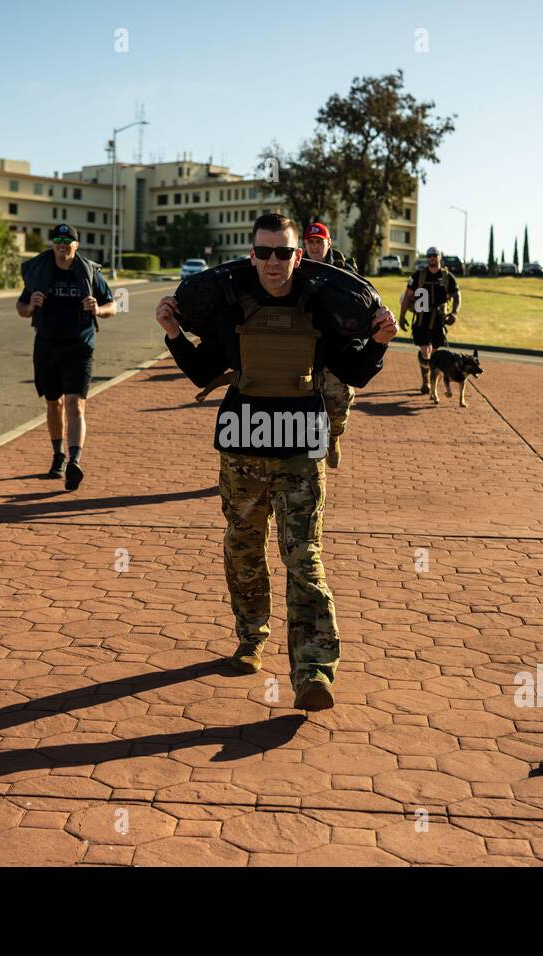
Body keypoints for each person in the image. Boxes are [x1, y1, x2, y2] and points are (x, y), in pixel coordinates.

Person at [155, 213, 397, 711]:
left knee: (302, 556)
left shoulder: (320, 307)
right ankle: (251, 638)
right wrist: (174, 334)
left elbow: (352, 370)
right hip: (243, 450)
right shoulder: (231, 309)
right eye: (263, 252)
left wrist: (378, 342)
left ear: (298, 255)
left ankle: (313, 671)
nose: (272, 262)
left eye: (282, 253)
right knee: (243, 549)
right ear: (251, 255)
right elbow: (203, 369)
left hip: (300, 452)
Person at [16, 224, 116, 490]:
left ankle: (75, 461)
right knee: (54, 404)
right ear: (53, 245)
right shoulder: (40, 272)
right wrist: (31, 306)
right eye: (58, 240)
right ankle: (58, 455)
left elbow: (113, 305)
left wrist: (99, 309)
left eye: (68, 240)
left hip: (80, 346)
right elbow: (21, 308)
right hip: (47, 345)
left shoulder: (90, 272)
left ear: (76, 245)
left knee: (75, 404)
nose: (62, 244)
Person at [302, 222, 360, 469]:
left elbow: (362, 303)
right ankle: (314, 464)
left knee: (337, 409)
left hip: (337, 350)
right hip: (305, 351)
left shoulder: (345, 271)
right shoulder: (297, 268)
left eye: (319, 242)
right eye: (310, 242)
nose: (315, 247)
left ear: (328, 243)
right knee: (306, 407)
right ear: (305, 245)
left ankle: (334, 437)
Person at [397, 247, 460, 394]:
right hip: (421, 319)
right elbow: (407, 296)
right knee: (426, 350)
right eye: (429, 255)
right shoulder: (419, 275)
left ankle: (433, 381)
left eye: (435, 255)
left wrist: (454, 313)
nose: (432, 258)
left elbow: (457, 296)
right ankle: (426, 382)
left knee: (435, 353)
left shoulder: (447, 277)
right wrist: (402, 316)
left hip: (439, 319)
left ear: (439, 257)